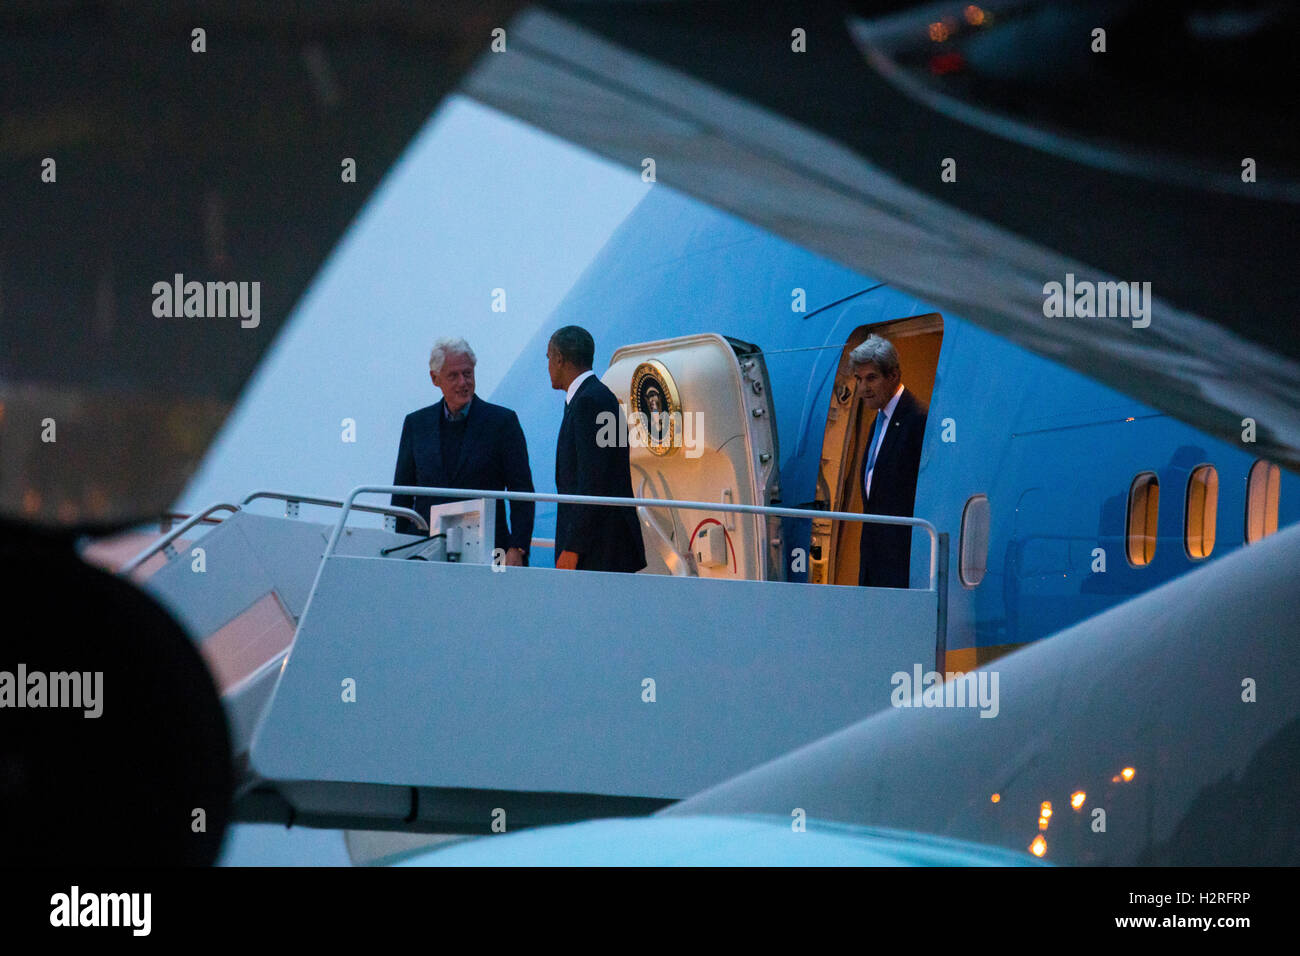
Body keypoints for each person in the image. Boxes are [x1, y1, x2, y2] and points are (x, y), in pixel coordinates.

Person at [391, 337, 534, 565]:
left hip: (490, 554)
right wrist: (397, 547)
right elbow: (402, 496)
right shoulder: (416, 424)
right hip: (425, 554)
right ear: (434, 378)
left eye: (467, 374)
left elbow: (522, 492)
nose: (462, 382)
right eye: (453, 376)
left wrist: (517, 548)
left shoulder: (502, 422)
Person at [547, 325, 646, 573]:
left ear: (559, 359)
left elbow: (593, 482)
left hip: (599, 549)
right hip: (606, 544)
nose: (548, 366)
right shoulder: (598, 397)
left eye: (549, 358)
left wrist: (572, 548)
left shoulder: (588, 402)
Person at [851, 334, 927, 588]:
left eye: (871, 378)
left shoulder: (917, 420)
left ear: (893, 375)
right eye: (858, 379)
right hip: (875, 563)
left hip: (900, 566)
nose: (862, 389)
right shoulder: (879, 422)